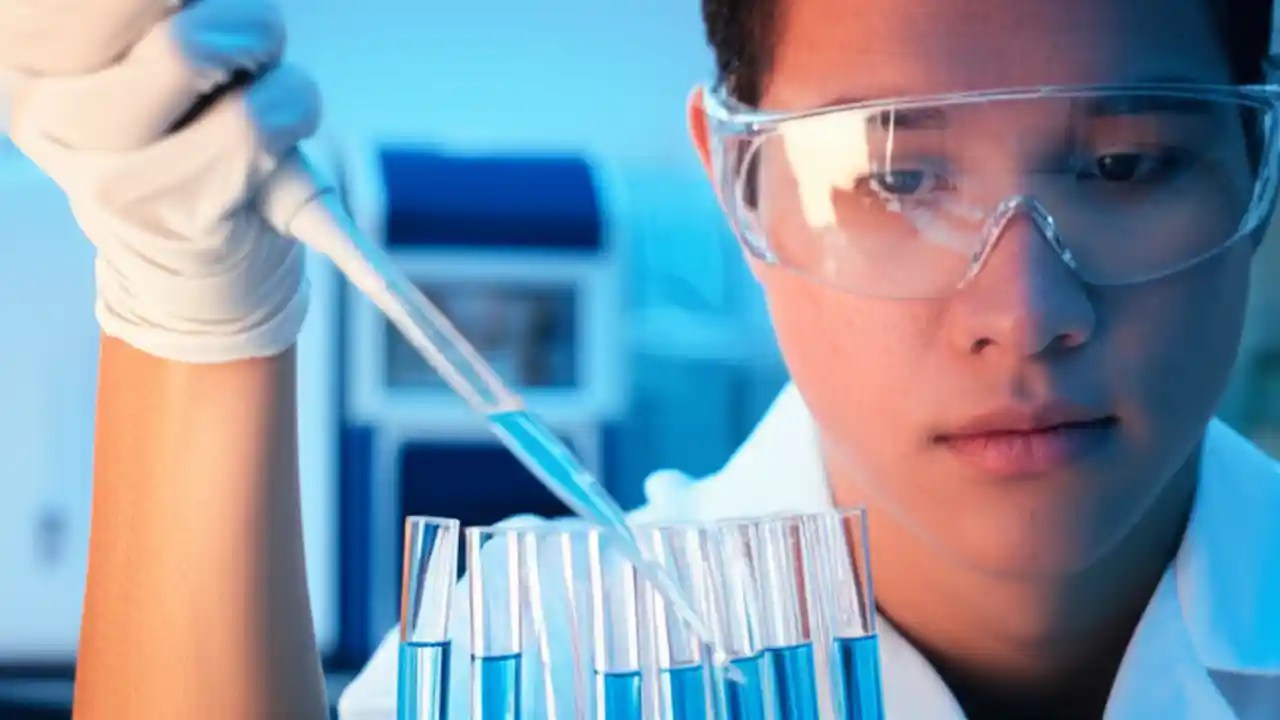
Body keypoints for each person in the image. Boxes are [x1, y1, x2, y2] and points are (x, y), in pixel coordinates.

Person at [3, 0, 1279, 717]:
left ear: (1256, 164)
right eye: (891, 177)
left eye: (1123, 166)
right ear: (738, 183)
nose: (1023, 307)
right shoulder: (532, 671)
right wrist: (191, 315)